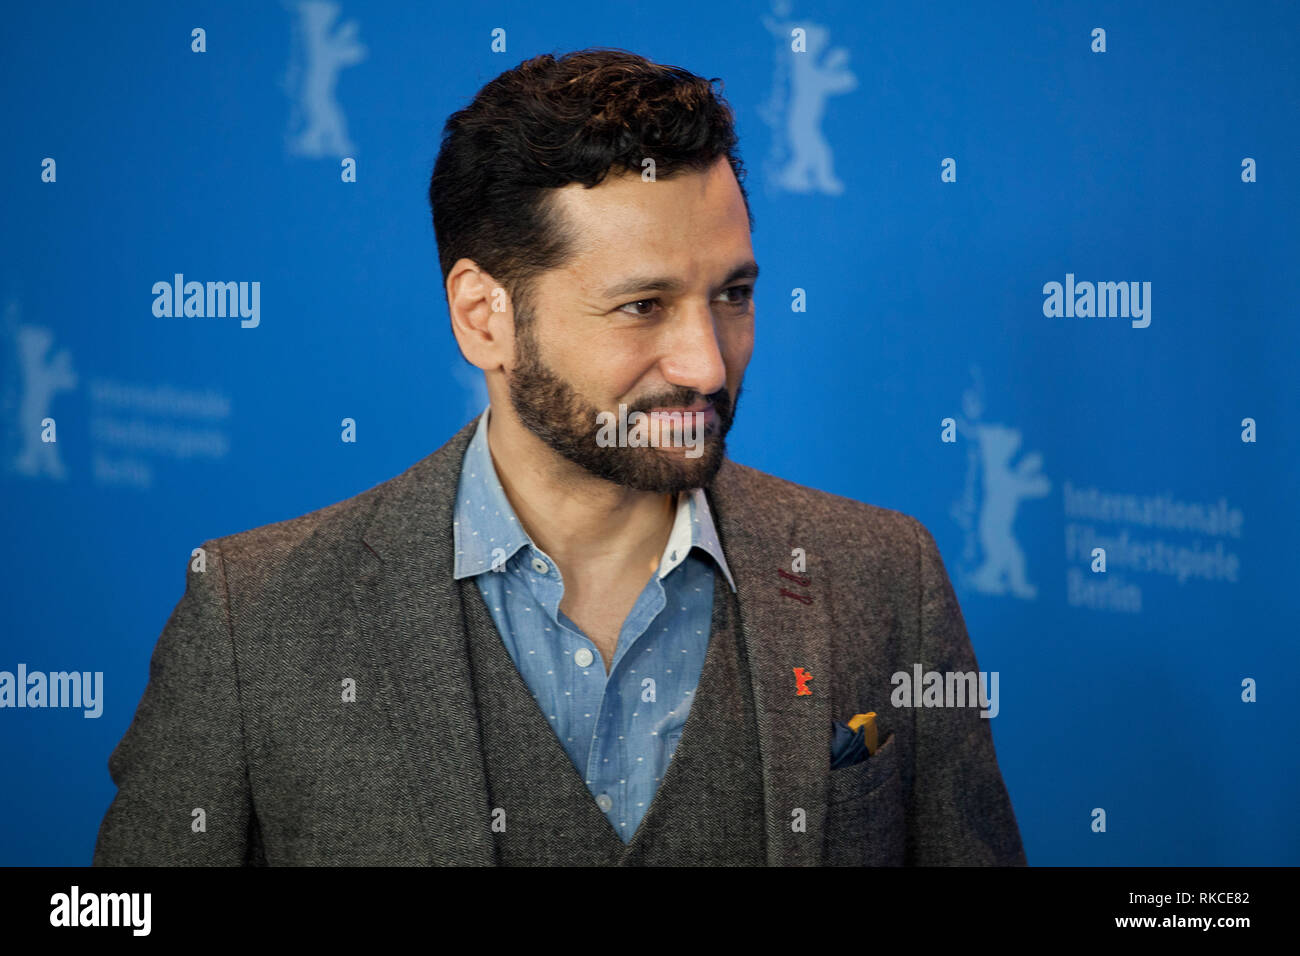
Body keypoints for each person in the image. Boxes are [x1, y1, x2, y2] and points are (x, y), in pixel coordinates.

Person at [93, 48, 1025, 866]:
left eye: (733, 293)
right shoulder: (253, 620)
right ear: (483, 316)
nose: (707, 362)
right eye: (642, 306)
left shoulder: (883, 575)